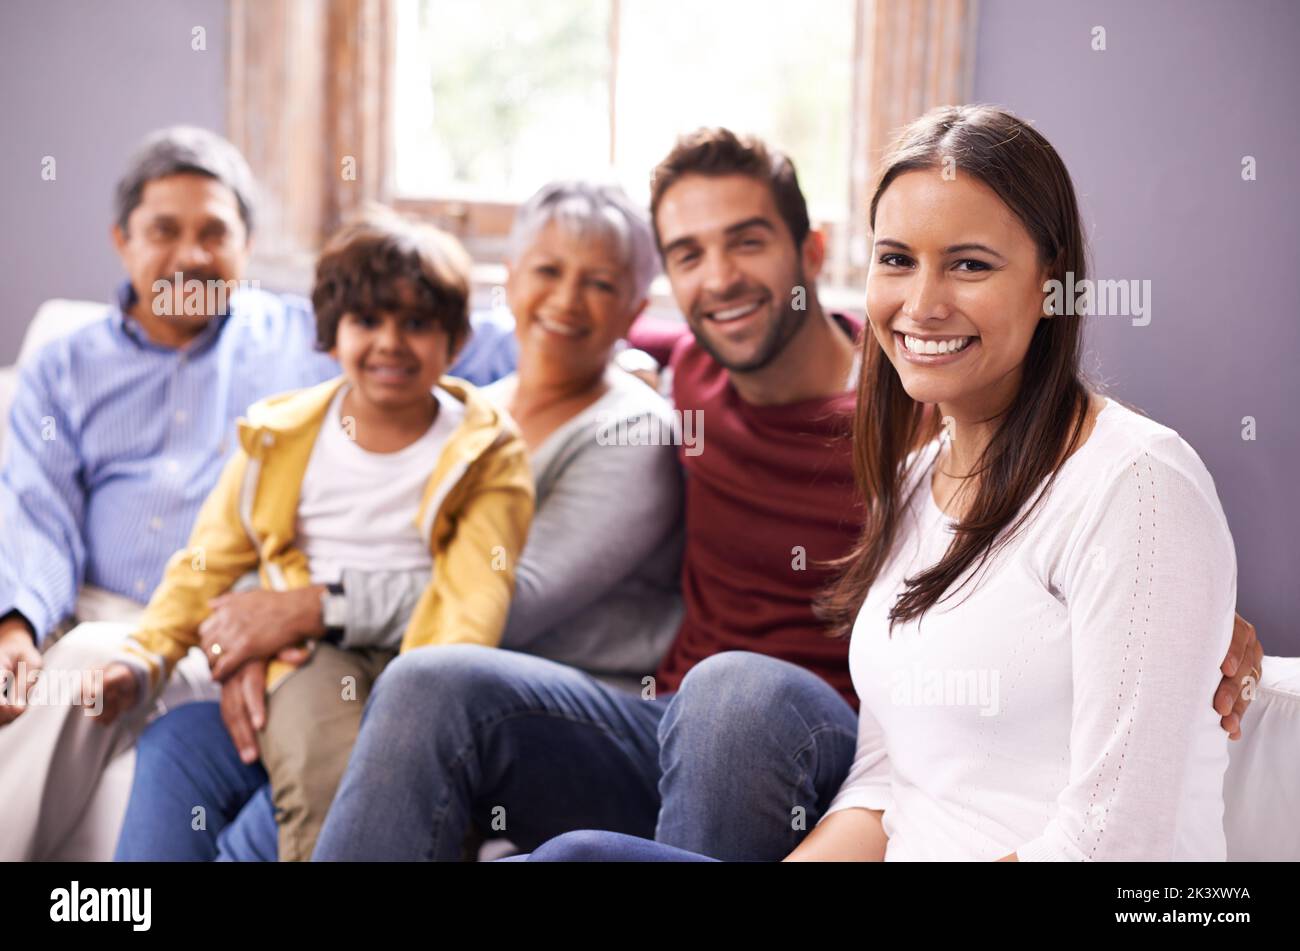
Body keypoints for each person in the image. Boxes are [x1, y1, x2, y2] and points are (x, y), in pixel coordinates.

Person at [308, 128, 1260, 862]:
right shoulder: (702, 389)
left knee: (735, 690)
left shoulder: (937, 412)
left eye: (746, 242)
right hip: (671, 726)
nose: (718, 278)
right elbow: (511, 347)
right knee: (444, 689)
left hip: (793, 740)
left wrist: (1203, 619)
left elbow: (1111, 539)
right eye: (686, 254)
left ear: (809, 252)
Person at [113, 181, 684, 860]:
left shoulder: (630, 432)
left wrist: (313, 607)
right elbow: (264, 532)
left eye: (598, 282)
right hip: (381, 677)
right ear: (511, 280)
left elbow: (506, 599)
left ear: (635, 306)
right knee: (178, 744)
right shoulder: (465, 412)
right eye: (549, 271)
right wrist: (253, 639)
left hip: (525, 710)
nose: (565, 299)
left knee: (302, 795)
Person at [96, 212, 533, 862]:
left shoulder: (485, 447)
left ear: (455, 339)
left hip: (427, 654)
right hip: (310, 650)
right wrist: (144, 655)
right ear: (331, 334)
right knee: (327, 763)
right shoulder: (282, 437)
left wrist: (430, 701)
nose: (391, 342)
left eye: (417, 323)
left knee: (411, 772)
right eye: (368, 322)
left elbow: (474, 592)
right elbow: (206, 562)